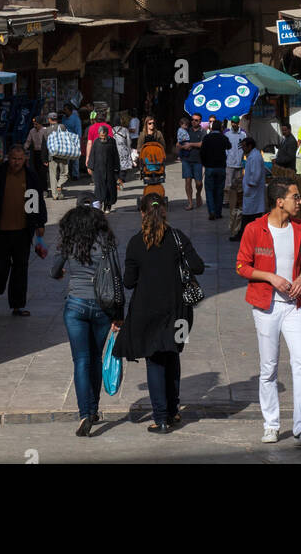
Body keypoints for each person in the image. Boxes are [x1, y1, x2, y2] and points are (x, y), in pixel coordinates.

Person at [236, 178, 301, 445]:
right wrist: (271, 277)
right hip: (266, 307)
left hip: (294, 306)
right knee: (269, 367)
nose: (300, 201)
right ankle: (271, 424)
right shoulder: (254, 229)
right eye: (296, 197)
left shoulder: (299, 228)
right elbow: (242, 266)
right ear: (279, 201)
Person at [113, 195, 205, 433]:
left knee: (154, 360)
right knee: (172, 356)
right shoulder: (177, 238)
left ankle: (161, 418)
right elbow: (198, 266)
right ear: (165, 211)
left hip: (147, 310)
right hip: (177, 309)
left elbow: (129, 282)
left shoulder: (135, 243)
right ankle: (173, 411)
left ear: (142, 213)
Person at [50, 203, 123, 436]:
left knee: (81, 360)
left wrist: (64, 271)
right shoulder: (106, 242)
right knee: (95, 359)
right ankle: (93, 410)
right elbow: (117, 276)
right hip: (102, 307)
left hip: (76, 306)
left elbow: (54, 271)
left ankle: (84, 414)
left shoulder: (69, 240)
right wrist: (119, 315)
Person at [0, 143, 46, 317]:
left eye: (20, 159)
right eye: (14, 158)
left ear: (25, 159)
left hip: (22, 231)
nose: (16, 162)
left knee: (20, 268)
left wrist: (39, 223)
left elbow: (36, 200)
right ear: (8, 157)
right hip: (0, 230)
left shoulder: (30, 176)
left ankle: (18, 305)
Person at [228, 136, 265, 240]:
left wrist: (250, 184)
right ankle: (245, 234)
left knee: (251, 215)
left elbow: (256, 174)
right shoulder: (252, 156)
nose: (243, 149)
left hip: (253, 190)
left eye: (244, 146)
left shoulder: (255, 156)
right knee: (250, 214)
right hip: (251, 191)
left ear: (250, 146)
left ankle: (244, 234)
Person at [200, 118, 231, 220]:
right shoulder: (223, 138)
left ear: (212, 128)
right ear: (221, 128)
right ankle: (218, 212)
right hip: (221, 168)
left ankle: (212, 211)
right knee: (219, 191)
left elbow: (202, 152)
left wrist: (204, 163)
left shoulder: (207, 138)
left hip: (209, 168)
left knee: (209, 190)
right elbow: (229, 146)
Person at [88, 123, 121, 213]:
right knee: (99, 188)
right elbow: (92, 154)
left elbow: (115, 155)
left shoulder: (112, 142)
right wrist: (90, 166)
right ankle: (99, 204)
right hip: (98, 170)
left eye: (104, 136)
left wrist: (117, 168)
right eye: (101, 136)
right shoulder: (96, 142)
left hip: (110, 170)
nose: (103, 138)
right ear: (99, 135)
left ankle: (108, 206)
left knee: (109, 188)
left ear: (107, 134)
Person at [179, 111, 205, 211]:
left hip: (198, 160)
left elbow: (202, 144)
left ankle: (198, 193)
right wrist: (180, 147)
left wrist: (190, 144)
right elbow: (179, 142)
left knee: (198, 183)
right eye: (192, 120)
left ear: (200, 121)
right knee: (188, 181)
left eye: (196, 120)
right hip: (186, 159)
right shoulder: (186, 130)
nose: (193, 121)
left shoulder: (202, 132)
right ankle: (190, 202)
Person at [45, 112, 70, 201]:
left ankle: (55, 195)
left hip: (52, 155)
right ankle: (59, 185)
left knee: (52, 175)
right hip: (62, 154)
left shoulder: (46, 130)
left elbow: (45, 145)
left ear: (49, 119)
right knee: (64, 173)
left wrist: (45, 158)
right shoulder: (62, 127)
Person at [224, 115, 245, 205]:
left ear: (238, 123)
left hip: (239, 164)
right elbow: (224, 148)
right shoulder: (227, 134)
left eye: (236, 122)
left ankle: (237, 201)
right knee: (228, 184)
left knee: (239, 185)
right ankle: (226, 201)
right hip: (229, 163)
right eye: (233, 122)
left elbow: (245, 148)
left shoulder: (243, 135)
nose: (234, 124)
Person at [24, 115, 49, 191]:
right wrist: (23, 149)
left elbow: (49, 143)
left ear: (40, 124)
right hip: (35, 153)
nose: (35, 125)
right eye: (34, 124)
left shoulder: (45, 131)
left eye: (36, 124)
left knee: (43, 173)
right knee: (36, 172)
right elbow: (28, 141)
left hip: (44, 153)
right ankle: (38, 188)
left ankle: (45, 189)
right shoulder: (32, 131)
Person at [62, 102, 83, 181]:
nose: (64, 111)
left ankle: (75, 175)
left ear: (70, 111)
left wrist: (78, 142)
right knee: (66, 159)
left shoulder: (76, 119)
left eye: (65, 110)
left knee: (75, 159)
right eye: (64, 110)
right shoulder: (64, 118)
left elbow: (79, 131)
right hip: (65, 140)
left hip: (74, 140)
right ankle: (66, 175)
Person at [112, 116, 134, 183]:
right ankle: (121, 179)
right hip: (123, 150)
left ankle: (117, 179)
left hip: (114, 150)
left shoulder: (111, 130)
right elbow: (129, 141)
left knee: (115, 165)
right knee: (123, 166)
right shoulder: (125, 130)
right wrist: (129, 150)